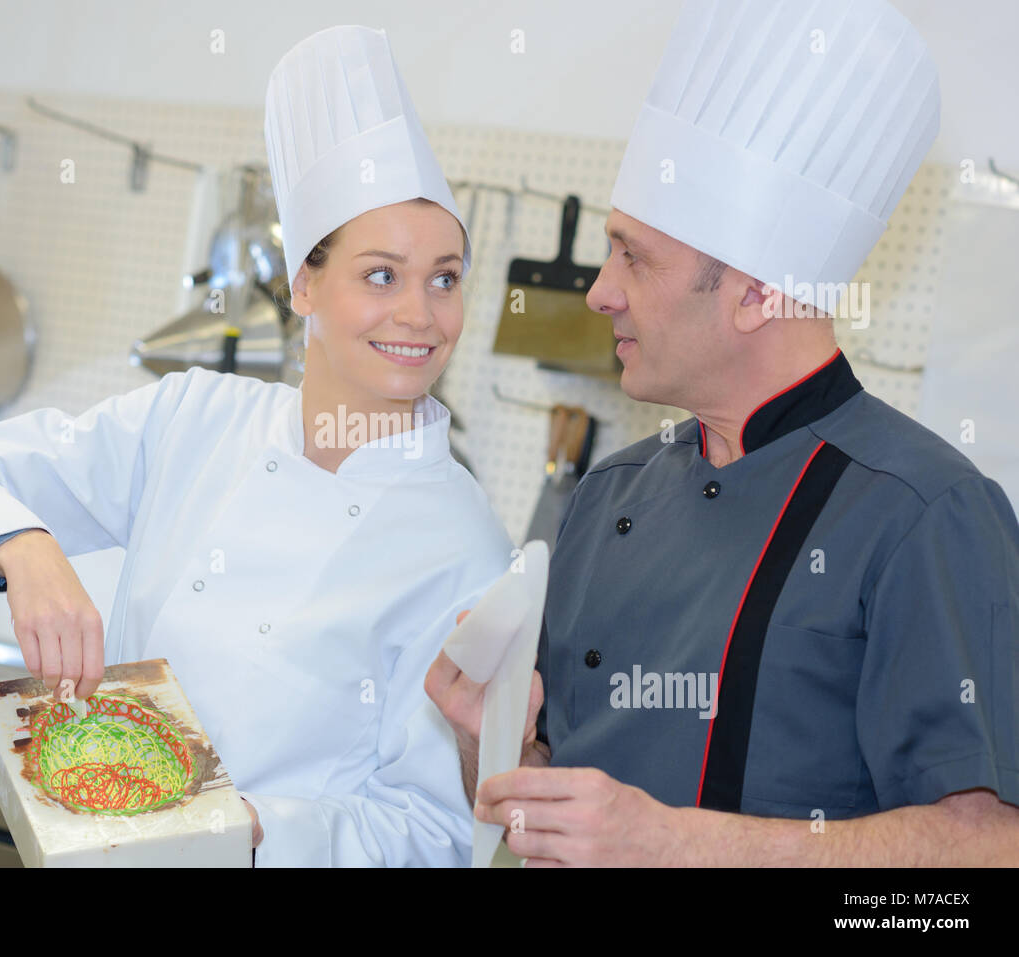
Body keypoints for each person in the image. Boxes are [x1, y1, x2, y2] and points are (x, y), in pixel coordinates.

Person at [0, 24, 513, 867]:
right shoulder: (196, 418)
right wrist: (22, 545)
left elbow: (435, 835)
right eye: (381, 274)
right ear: (304, 284)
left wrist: (242, 825)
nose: (421, 315)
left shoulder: (464, 544)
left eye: (446, 277)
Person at [428, 0, 1019, 865]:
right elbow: (549, 819)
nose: (599, 291)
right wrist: (487, 741)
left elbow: (988, 850)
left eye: (634, 257)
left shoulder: (928, 513)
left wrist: (670, 841)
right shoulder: (607, 494)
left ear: (755, 295)